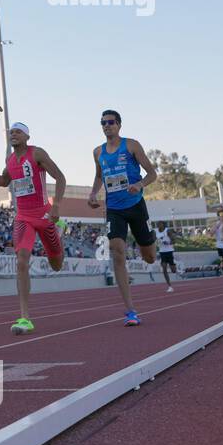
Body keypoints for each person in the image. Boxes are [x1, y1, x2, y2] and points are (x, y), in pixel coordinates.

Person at [0, 123, 67, 334]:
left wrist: (56, 205)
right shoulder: (9, 160)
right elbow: (4, 181)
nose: (13, 134)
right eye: (11, 132)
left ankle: (60, 231)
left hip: (45, 215)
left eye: (18, 131)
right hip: (23, 217)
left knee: (56, 264)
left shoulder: (37, 153)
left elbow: (60, 177)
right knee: (21, 261)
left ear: (27, 136)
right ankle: (24, 318)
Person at [87, 109, 160, 326]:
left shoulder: (131, 145)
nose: (106, 125)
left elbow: (152, 173)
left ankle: (149, 238)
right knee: (117, 252)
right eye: (103, 122)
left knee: (150, 257)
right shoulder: (97, 152)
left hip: (136, 205)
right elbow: (99, 176)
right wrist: (93, 193)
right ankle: (130, 310)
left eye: (110, 122)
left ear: (119, 125)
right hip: (114, 209)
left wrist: (139, 185)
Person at [155, 221, 179, 292]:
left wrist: (168, 242)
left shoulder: (167, 231)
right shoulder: (156, 232)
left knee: (173, 271)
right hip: (162, 252)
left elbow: (174, 241)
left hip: (169, 251)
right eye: (157, 224)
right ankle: (169, 286)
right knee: (164, 269)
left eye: (160, 224)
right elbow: (154, 240)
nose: (158, 225)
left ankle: (174, 266)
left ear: (163, 225)